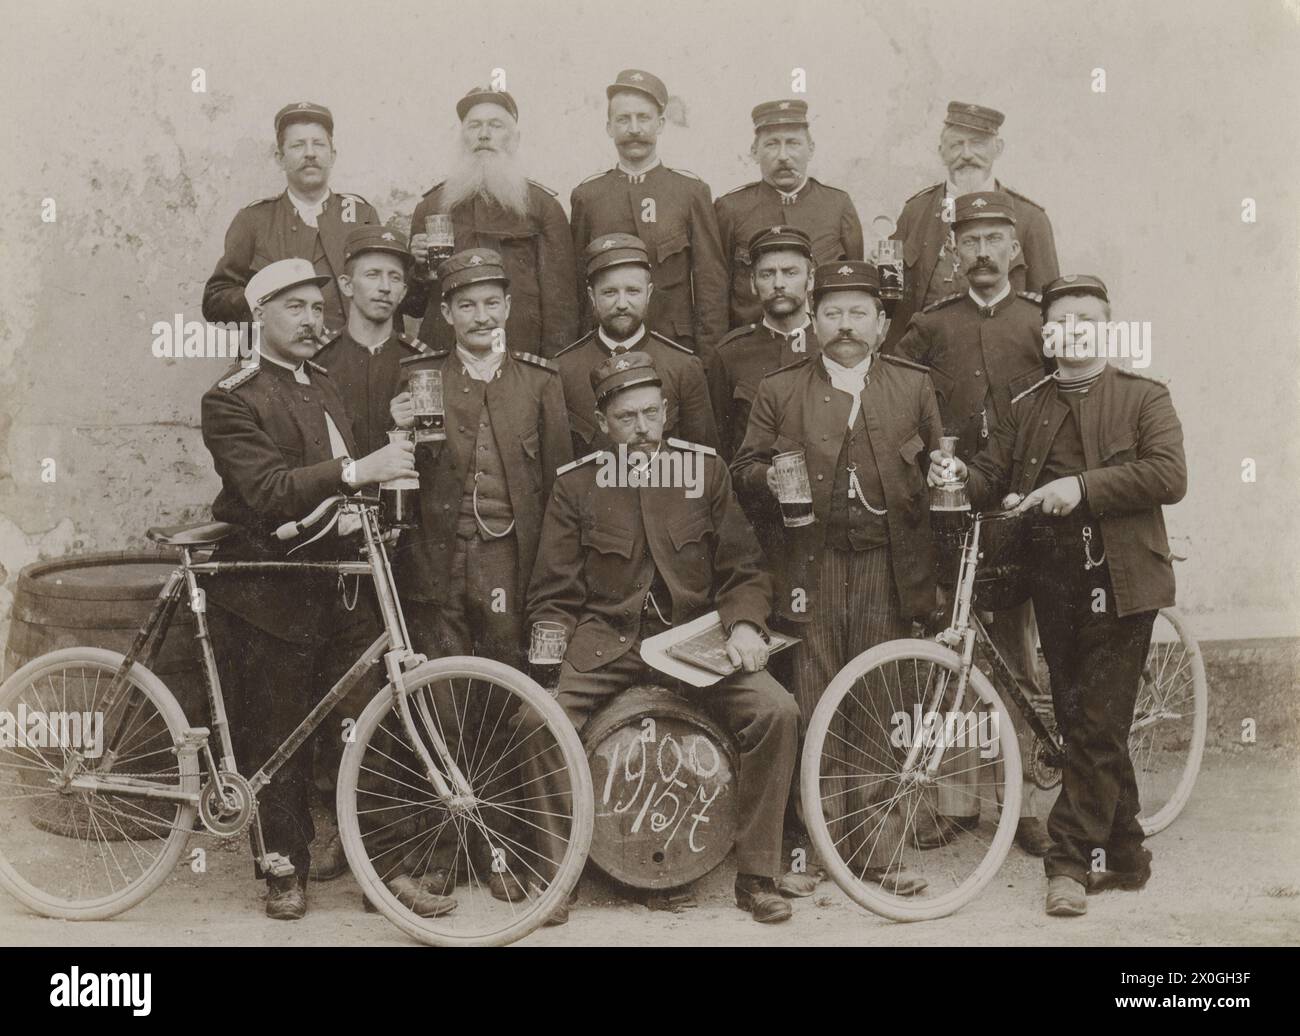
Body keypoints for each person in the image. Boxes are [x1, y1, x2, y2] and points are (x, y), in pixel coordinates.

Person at [930, 274, 1187, 917]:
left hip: (1123, 577)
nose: (1072, 330)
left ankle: (1070, 862)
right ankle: (1125, 853)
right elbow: (993, 473)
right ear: (1047, 334)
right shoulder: (1027, 404)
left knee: (1096, 722)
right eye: (1060, 320)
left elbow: (1168, 473)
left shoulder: (1143, 396)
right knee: (1083, 719)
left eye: (1087, 319)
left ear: (1107, 327)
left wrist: (1083, 486)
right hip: (1053, 577)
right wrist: (962, 473)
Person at [526, 351, 801, 924]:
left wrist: (745, 623)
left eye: (652, 414)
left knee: (776, 710)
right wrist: (547, 667)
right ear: (603, 423)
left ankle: (757, 876)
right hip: (606, 644)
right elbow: (552, 593)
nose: (643, 428)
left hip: (691, 643)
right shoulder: (578, 485)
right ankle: (557, 876)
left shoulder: (704, 472)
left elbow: (744, 569)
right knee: (535, 719)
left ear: (668, 412)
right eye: (627, 418)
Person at [199, 258, 419, 921]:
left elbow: (337, 478)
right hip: (272, 586)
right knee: (279, 732)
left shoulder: (324, 384)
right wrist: (360, 468)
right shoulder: (231, 397)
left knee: (368, 719)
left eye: (316, 308)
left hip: (336, 578)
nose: (309, 319)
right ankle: (283, 866)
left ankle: (379, 861)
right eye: (292, 307)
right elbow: (267, 492)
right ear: (258, 315)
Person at [732, 260, 941, 895]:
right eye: (832, 313)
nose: (844, 326)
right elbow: (742, 469)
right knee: (814, 700)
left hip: (885, 566)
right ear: (813, 322)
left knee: (877, 701)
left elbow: (942, 470)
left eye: (858, 314)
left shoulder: (914, 387)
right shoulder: (780, 388)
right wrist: (767, 478)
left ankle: (874, 849)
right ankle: (807, 848)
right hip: (809, 570)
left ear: (881, 325)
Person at [887, 190, 1055, 856]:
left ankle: (1029, 802)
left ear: (1016, 251)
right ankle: (955, 800)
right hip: (953, 511)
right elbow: (900, 410)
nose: (982, 253)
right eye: (970, 241)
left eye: (995, 240)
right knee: (950, 647)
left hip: (1028, 508)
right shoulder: (929, 328)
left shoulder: (1042, 324)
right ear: (953, 253)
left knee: (1020, 650)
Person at [306, 225, 431, 881]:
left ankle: (394, 839)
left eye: (395, 278)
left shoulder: (421, 361)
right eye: (372, 275)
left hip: (406, 543)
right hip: (335, 544)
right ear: (348, 284)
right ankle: (337, 829)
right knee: (340, 689)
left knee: (402, 684)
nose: (384, 288)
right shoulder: (320, 360)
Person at [403, 87, 578, 357]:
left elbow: (561, 308)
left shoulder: (543, 208)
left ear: (515, 139)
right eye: (474, 126)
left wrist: (550, 373)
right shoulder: (431, 207)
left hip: (520, 359)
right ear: (462, 138)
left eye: (495, 125)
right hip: (447, 359)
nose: (484, 134)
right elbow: (413, 306)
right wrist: (417, 269)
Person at [570, 69, 728, 366]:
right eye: (623, 119)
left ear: (661, 124)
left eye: (643, 118)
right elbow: (578, 288)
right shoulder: (588, 197)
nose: (634, 129)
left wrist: (707, 362)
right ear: (608, 128)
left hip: (675, 349)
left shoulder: (690, 192)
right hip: (606, 352)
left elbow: (711, 286)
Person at [884, 101, 1058, 350]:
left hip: (1003, 358)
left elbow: (1050, 309)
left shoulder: (1030, 219)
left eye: (977, 144)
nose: (966, 154)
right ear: (941, 151)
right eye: (956, 144)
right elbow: (890, 300)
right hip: (924, 361)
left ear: (998, 148)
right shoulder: (915, 212)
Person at [203, 102, 379, 335]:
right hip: (282, 361)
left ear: (332, 155)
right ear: (280, 158)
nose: (310, 153)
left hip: (349, 359)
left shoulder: (361, 214)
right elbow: (216, 299)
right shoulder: (253, 219)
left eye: (318, 144)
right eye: (297, 145)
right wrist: (268, 301)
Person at [555, 233, 717, 457]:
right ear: (592, 296)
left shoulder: (684, 367)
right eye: (609, 292)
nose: (622, 304)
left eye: (633, 291)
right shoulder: (562, 371)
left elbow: (704, 464)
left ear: (649, 293)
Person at [714, 100, 862, 328]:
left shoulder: (837, 204)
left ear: (811, 148)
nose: (783, 156)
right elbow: (715, 289)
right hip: (753, 346)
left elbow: (853, 285)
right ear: (754, 151)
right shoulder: (731, 209)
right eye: (772, 144)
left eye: (793, 143)